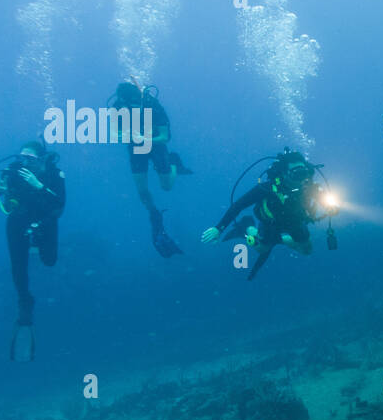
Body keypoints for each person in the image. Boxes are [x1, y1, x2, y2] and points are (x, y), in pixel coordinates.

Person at [200, 149, 336, 280]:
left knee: (307, 250)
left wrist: (331, 207)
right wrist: (219, 228)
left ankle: (279, 239)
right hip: (271, 223)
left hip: (296, 221)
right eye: (296, 174)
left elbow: (325, 201)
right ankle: (247, 226)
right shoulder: (267, 188)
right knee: (262, 249)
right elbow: (238, 205)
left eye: (303, 173)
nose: (301, 179)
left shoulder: (309, 186)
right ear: (284, 173)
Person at [0, 140, 65, 360]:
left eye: (30, 159)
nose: (25, 162)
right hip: (19, 219)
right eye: (22, 157)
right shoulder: (13, 170)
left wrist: (38, 184)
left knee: (49, 260)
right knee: (18, 266)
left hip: (45, 220)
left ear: (41, 159)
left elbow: (60, 203)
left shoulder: (54, 173)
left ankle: (37, 242)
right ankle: (24, 301)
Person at [106, 79, 190, 257]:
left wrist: (146, 139)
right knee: (142, 191)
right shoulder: (117, 106)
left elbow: (165, 137)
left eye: (136, 104)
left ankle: (173, 163)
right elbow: (114, 133)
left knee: (166, 187)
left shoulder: (152, 104)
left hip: (156, 144)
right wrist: (128, 135)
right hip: (135, 147)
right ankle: (154, 215)